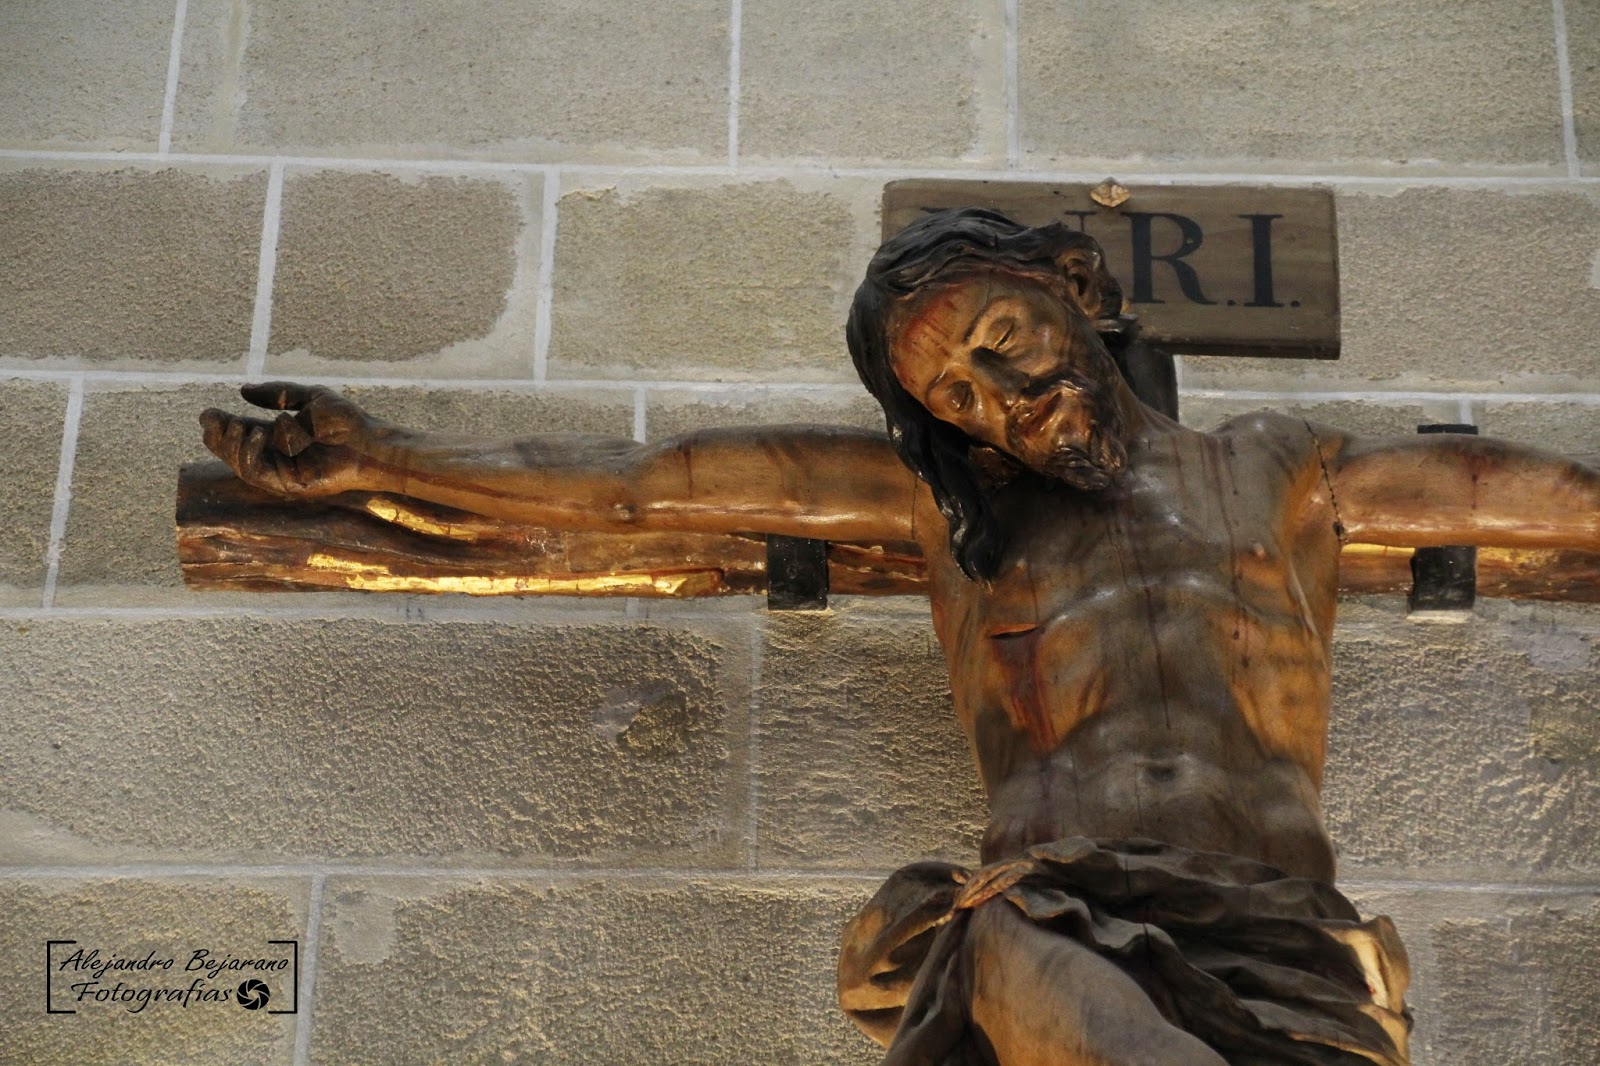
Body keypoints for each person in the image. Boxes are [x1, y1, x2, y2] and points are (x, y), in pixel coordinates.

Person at [200, 208, 1599, 1065]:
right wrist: (385, 459)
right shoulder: (950, 520)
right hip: (1063, 903)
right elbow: (645, 486)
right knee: (1001, 947)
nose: (1000, 396)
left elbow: (1541, 497)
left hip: (1283, 935)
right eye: (958, 397)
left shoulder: (1284, 471)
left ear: (1073, 285)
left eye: (1002, 337)